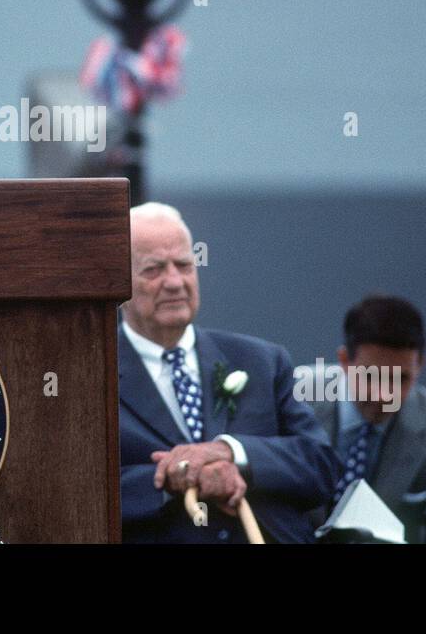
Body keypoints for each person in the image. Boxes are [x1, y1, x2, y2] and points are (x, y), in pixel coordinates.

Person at [118, 202, 339, 543]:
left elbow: (320, 466)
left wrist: (233, 453)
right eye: (153, 269)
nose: (175, 282)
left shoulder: (261, 361)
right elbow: (72, 490)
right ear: (117, 280)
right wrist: (174, 479)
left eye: (184, 265)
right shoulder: (90, 376)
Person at [306, 295, 426, 543]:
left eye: (400, 379)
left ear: (420, 365)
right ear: (345, 361)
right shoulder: (291, 400)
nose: (384, 395)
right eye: (371, 377)